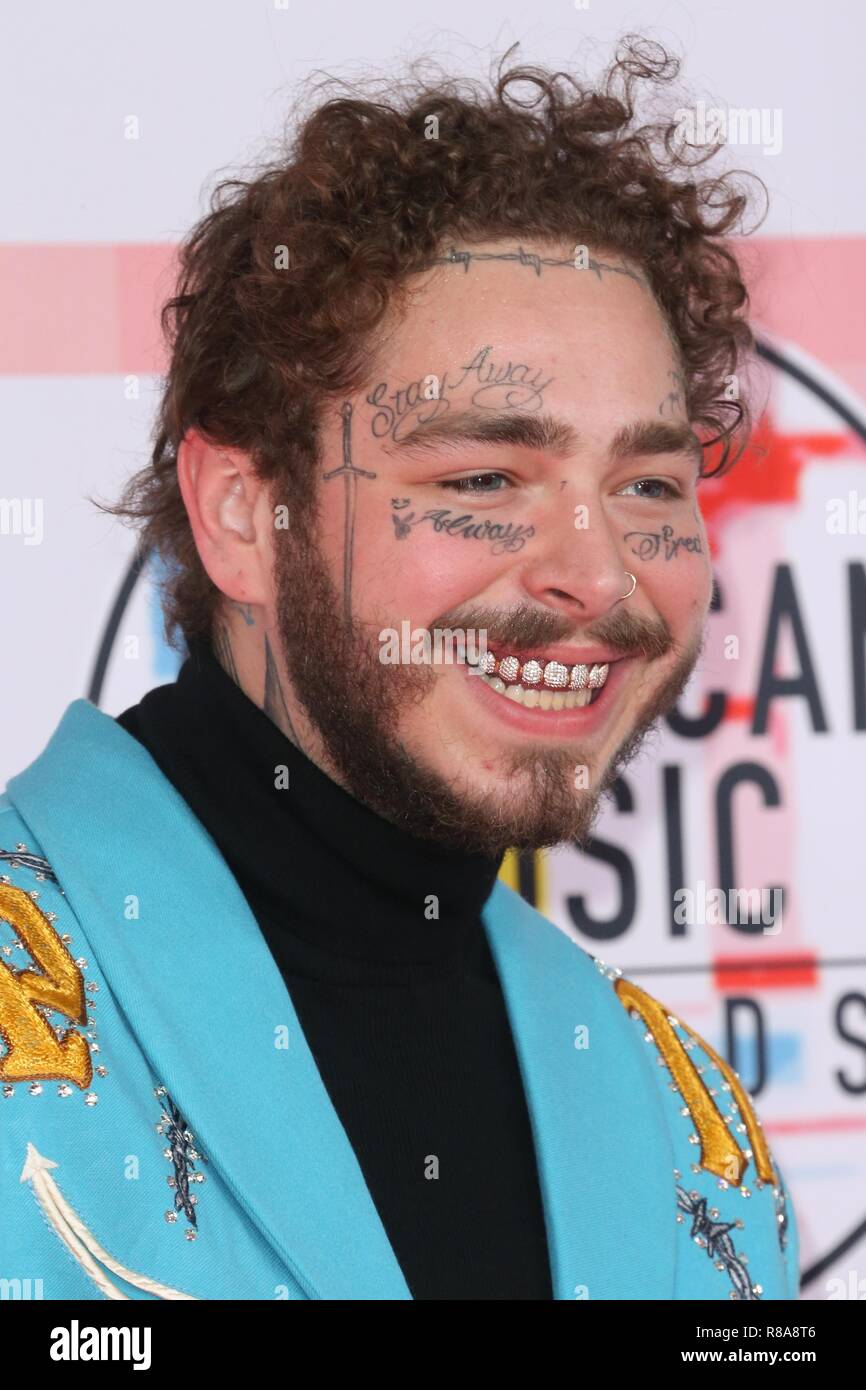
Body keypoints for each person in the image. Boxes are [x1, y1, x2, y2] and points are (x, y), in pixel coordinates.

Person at [0, 38, 798, 1301]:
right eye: (482, 478)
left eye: (647, 485)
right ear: (242, 514)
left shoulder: (693, 1137)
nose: (596, 575)